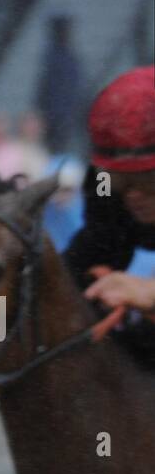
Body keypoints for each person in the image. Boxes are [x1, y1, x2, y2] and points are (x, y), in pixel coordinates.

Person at [63, 66, 155, 317]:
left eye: (148, 180)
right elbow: (99, 243)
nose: (134, 195)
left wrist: (150, 293)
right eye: (122, 181)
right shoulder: (103, 183)